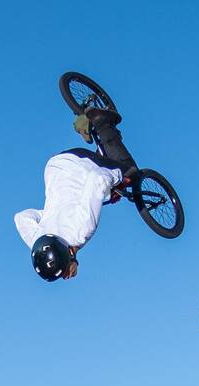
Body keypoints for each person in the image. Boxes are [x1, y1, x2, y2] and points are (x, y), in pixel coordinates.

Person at [14, 108, 139, 282]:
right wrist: (51, 214)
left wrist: (122, 178)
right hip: (53, 167)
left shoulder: (81, 231)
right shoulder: (39, 241)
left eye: (65, 272)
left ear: (68, 258)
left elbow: (98, 179)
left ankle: (100, 121)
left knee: (130, 172)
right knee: (105, 192)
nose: (68, 277)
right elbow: (20, 217)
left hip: (77, 162)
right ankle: (95, 134)